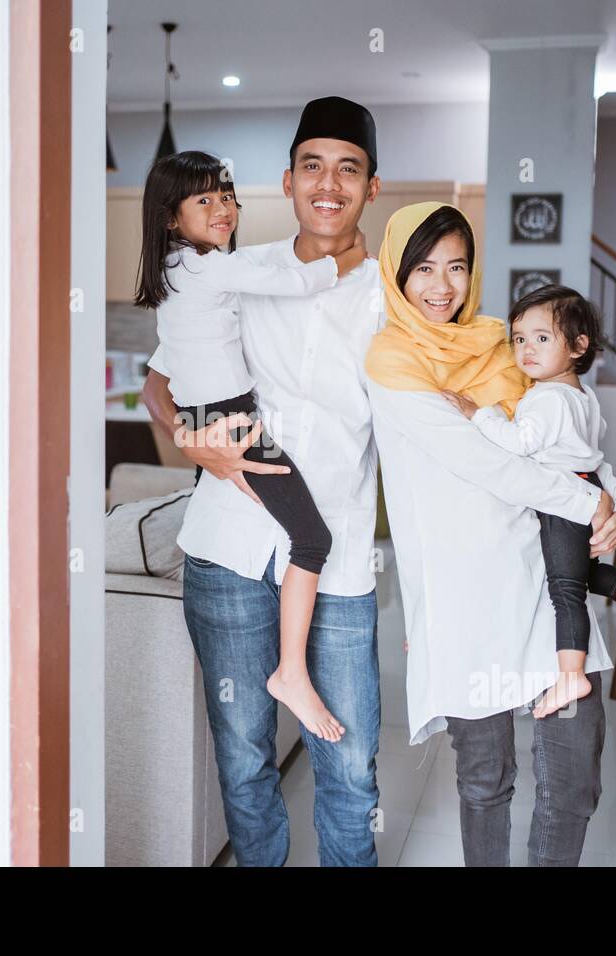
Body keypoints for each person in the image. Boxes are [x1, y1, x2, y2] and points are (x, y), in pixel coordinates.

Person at [141, 96, 384, 866]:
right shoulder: (237, 270)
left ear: (371, 188)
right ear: (287, 181)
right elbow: (158, 381)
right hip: (229, 543)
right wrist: (191, 441)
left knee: (349, 762)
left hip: (336, 552)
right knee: (244, 757)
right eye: (312, 165)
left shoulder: (395, 294)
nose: (328, 184)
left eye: (348, 169)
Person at [365, 201, 616, 866]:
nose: (442, 285)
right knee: (486, 780)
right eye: (424, 268)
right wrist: (591, 502)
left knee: (573, 779)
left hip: (548, 582)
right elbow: (487, 463)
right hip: (466, 600)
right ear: (396, 273)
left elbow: (569, 435)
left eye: (457, 266)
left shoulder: (503, 342)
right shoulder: (391, 362)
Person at [441, 284, 616, 719]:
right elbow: (598, 462)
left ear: (579, 346)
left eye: (542, 338)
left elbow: (519, 445)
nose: (526, 349)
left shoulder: (545, 399)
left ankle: (571, 673)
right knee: (581, 574)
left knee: (565, 590)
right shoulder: (584, 398)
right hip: (585, 486)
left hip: (565, 502)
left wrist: (476, 413)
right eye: (520, 338)